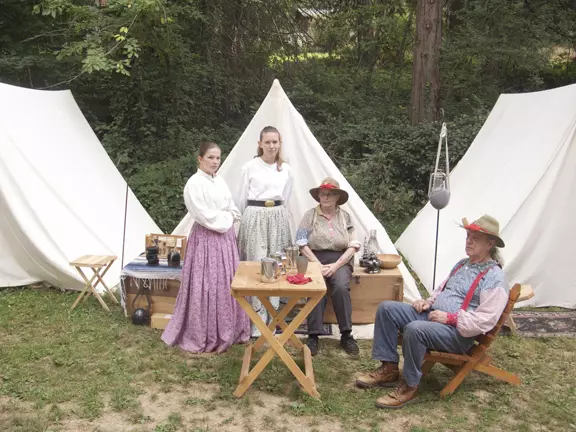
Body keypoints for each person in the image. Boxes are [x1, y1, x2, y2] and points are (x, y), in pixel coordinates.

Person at [355, 214, 508, 408]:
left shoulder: (494, 277)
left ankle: (409, 386)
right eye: (468, 236)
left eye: (475, 238)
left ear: (490, 243)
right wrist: (427, 302)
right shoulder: (462, 264)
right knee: (387, 309)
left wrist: (451, 318)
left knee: (415, 329)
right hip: (434, 316)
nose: (468, 241)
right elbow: (443, 290)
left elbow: (486, 320)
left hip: (457, 333)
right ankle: (389, 368)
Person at [161, 140, 250, 353]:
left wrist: (227, 216)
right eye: (210, 157)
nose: (215, 161)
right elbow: (204, 215)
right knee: (207, 284)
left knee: (225, 282)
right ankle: (205, 332)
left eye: (218, 158)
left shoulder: (219, 181)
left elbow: (231, 207)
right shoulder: (194, 184)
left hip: (225, 241)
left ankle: (228, 329)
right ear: (200, 159)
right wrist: (226, 219)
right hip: (206, 241)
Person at [236, 126, 293, 337]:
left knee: (276, 265)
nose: (271, 146)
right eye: (267, 142)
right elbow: (241, 198)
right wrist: (251, 219)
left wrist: (277, 216)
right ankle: (256, 319)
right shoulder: (249, 167)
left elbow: (286, 197)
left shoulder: (286, 169)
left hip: (277, 217)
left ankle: (274, 317)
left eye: (275, 142)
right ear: (260, 144)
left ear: (280, 144)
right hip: (256, 215)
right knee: (258, 264)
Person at [295, 177, 362, 356]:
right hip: (313, 257)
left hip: (340, 259)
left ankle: (346, 334)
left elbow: (354, 245)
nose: (325, 197)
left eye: (329, 194)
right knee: (318, 288)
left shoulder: (345, 216)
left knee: (340, 286)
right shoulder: (310, 215)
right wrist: (316, 264)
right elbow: (301, 242)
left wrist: (337, 265)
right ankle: (313, 335)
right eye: (322, 194)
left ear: (337, 197)